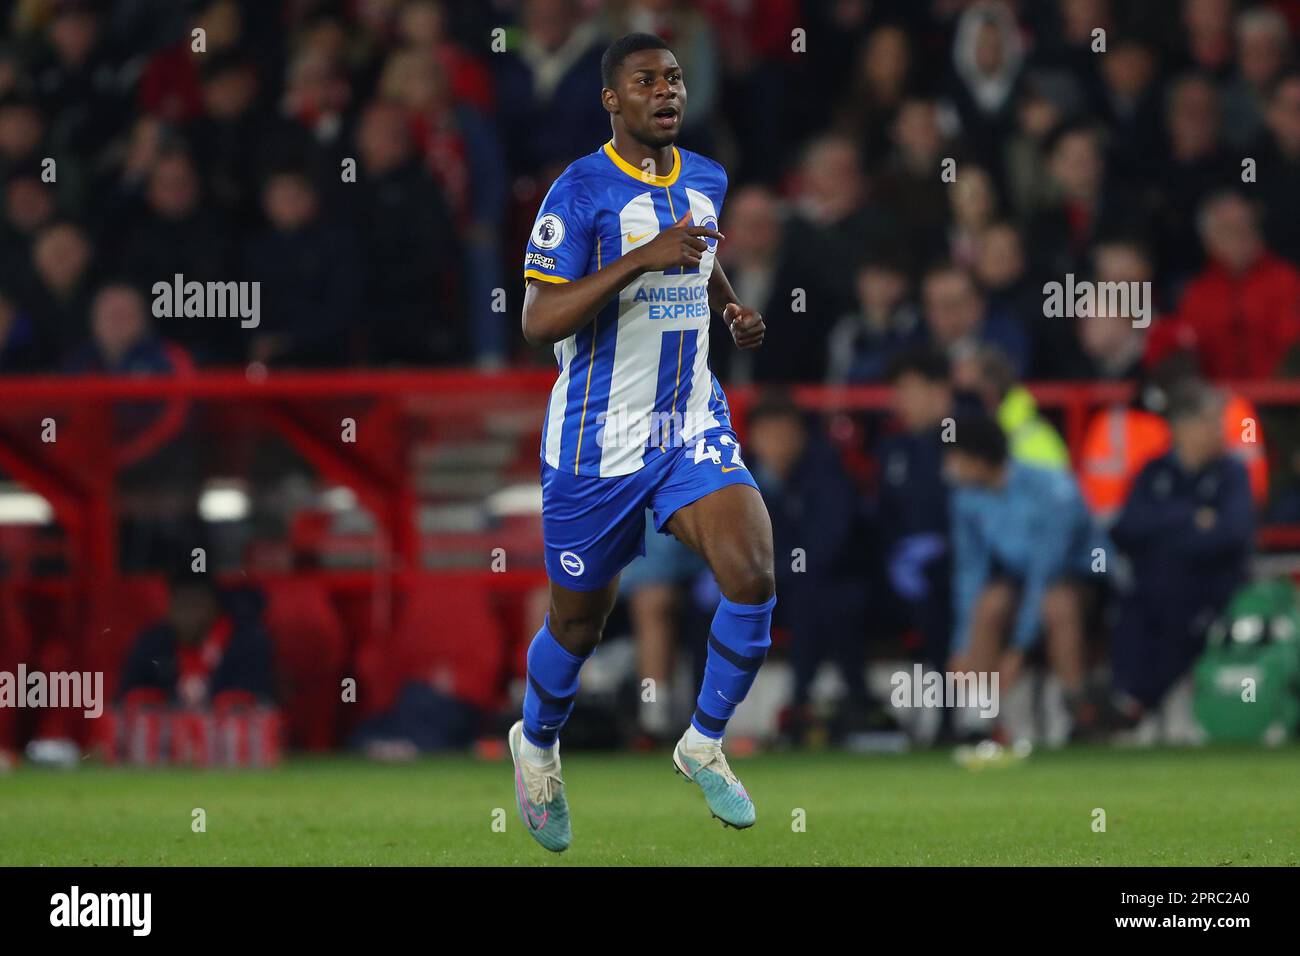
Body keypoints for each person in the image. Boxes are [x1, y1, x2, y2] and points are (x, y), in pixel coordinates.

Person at [511, 33, 773, 852]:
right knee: (579, 626)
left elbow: (701, 253)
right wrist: (642, 258)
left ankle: (702, 742)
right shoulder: (579, 191)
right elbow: (537, 321)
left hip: (687, 422)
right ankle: (538, 744)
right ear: (612, 101)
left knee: (754, 573)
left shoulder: (707, 176)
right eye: (645, 81)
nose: (666, 91)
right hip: (597, 442)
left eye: (674, 78)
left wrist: (727, 304)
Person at [944, 416, 1100, 738]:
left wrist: (1019, 649)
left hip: (1082, 578)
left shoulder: (1050, 489)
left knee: (1056, 605)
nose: (947, 466)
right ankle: (979, 719)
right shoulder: (965, 499)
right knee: (991, 603)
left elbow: (1046, 572)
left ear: (979, 459)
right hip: (1022, 582)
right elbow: (970, 574)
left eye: (954, 457)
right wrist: (961, 647)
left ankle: (1079, 713)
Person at [1110, 381, 1253, 717]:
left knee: (1178, 603)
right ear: (1182, 427)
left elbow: (1233, 534)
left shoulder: (1232, 473)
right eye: (1211, 421)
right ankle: (1125, 702)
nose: (1220, 431)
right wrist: (1189, 516)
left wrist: (1167, 539)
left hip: (1213, 585)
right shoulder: (1153, 471)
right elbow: (1126, 528)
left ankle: (1147, 705)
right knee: (1129, 608)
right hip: (1150, 585)